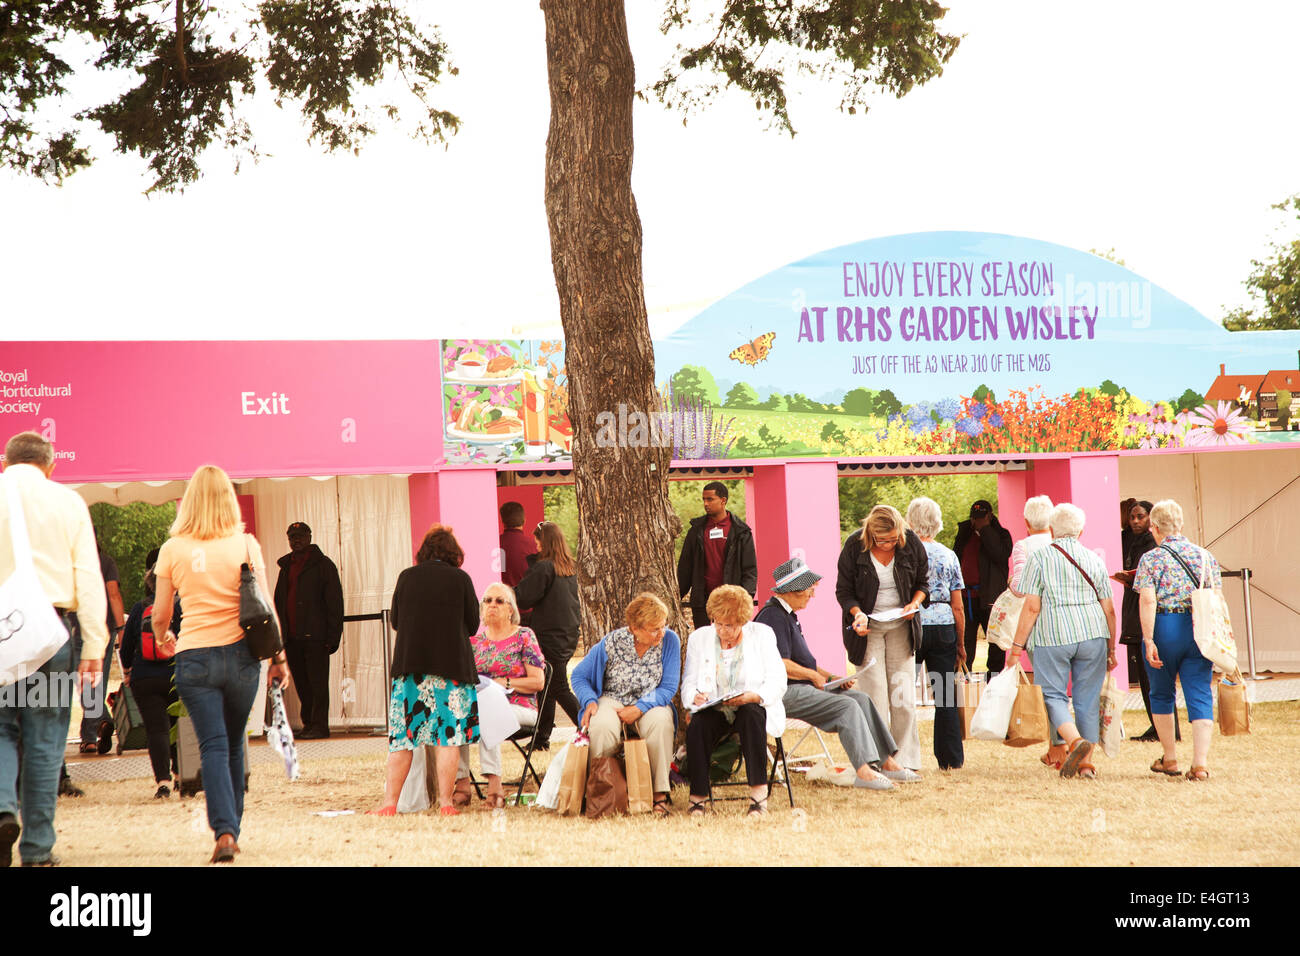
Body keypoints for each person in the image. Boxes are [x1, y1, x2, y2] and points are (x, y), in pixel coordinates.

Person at [153, 465, 289, 862]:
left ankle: (224, 832)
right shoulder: (246, 544)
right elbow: (267, 607)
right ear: (228, 498)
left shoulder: (173, 549)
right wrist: (279, 659)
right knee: (233, 743)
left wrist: (164, 639)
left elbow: (161, 615)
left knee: (212, 744)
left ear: (190, 501)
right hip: (243, 657)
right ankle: (232, 829)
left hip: (194, 656)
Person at [0, 431, 107, 867]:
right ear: (51, 467)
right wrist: (94, 644)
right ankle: (38, 849)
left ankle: (3, 808)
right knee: (46, 737)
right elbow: (89, 575)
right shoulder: (68, 503)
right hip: (51, 631)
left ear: (5, 463)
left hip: (1, 634)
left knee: (1, 727)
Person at [755, 556, 913, 790]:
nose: (812, 595)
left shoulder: (786, 615)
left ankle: (887, 762)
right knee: (846, 707)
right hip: (782, 692)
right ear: (793, 590)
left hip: (800, 686)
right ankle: (864, 771)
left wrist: (830, 678)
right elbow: (780, 662)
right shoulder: (772, 616)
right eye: (810, 590)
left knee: (861, 699)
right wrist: (813, 677)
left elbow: (804, 662)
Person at [373, 527, 480, 817]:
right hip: (451, 671)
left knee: (403, 737)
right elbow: (472, 625)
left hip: (411, 670)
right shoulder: (461, 579)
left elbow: (395, 620)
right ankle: (446, 802)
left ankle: (389, 803)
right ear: (453, 553)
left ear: (424, 553)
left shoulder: (406, 577)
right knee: (448, 737)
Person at [1007, 503, 1117, 780]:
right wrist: (1112, 647)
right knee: (1087, 700)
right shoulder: (1094, 559)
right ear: (1081, 530)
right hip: (1093, 635)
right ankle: (1087, 765)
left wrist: (1017, 646)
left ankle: (1075, 741)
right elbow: (1109, 609)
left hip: (1052, 636)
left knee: (1053, 695)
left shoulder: (1040, 558)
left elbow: (1032, 606)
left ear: (1052, 529)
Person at [836, 504, 928, 771]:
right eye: (883, 540)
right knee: (873, 695)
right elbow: (844, 592)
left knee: (903, 695)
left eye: (894, 538)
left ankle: (906, 759)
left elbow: (923, 582)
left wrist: (914, 603)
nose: (889, 544)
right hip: (868, 627)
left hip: (902, 624)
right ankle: (877, 759)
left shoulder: (910, 542)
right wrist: (858, 614)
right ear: (870, 533)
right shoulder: (854, 545)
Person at [681, 585, 787, 816]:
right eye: (717, 623)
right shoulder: (700, 638)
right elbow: (688, 682)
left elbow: (778, 680)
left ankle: (758, 796)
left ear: (743, 621)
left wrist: (756, 695)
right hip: (716, 707)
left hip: (751, 705)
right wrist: (694, 697)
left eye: (728, 625)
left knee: (751, 714)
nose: (721, 630)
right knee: (698, 724)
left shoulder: (762, 634)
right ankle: (698, 797)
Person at [1135, 499, 1221, 782]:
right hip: (1198, 628)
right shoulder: (1205, 556)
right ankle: (1200, 763)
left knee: (1161, 692)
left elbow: (1148, 599)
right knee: (1199, 692)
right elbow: (1214, 599)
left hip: (1164, 626)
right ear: (1181, 524)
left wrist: (1148, 639)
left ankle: (1170, 758)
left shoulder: (1151, 558)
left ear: (1154, 527)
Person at [572, 592, 679, 817]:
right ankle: (601, 793)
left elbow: (668, 687)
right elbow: (579, 676)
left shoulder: (670, 640)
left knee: (661, 722)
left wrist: (639, 708)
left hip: (651, 700)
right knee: (600, 725)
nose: (661, 633)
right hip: (612, 698)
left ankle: (659, 794)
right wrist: (590, 701)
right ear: (634, 629)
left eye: (663, 626)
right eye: (653, 629)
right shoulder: (612, 641)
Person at [453, 583, 545, 808]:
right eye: (488, 601)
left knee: (486, 711)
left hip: (521, 708)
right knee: (455, 715)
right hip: (483, 706)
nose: (492, 605)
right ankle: (462, 783)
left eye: (499, 601)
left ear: (510, 609)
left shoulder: (524, 636)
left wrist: (504, 683)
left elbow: (538, 682)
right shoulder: (475, 643)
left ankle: (495, 786)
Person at [1007, 495, 1068, 769]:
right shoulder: (1063, 543)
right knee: (1061, 688)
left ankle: (1060, 747)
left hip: (1038, 625)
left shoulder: (1023, 546)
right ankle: (1060, 745)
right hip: (1068, 622)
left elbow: (1020, 586)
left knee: (1050, 690)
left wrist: (1010, 582)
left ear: (1026, 522)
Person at [907, 498, 966, 771]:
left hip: (912, 623)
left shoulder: (904, 553)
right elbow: (958, 605)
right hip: (944, 624)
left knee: (904, 692)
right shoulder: (948, 555)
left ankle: (907, 756)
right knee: (945, 695)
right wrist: (961, 643)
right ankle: (951, 759)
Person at [273, 521, 344, 739]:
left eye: (301, 536)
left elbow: (334, 603)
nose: (297, 540)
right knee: (302, 684)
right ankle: (309, 724)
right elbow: (279, 601)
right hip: (292, 638)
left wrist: (332, 636)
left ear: (310, 537)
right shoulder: (285, 568)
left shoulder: (324, 566)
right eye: (293, 537)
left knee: (318, 683)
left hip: (317, 637)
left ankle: (320, 726)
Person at [512, 521, 580, 750]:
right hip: (566, 634)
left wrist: (506, 594)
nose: (536, 545)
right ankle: (541, 739)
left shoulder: (544, 568)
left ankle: (590, 727)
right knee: (549, 685)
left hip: (549, 635)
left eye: (538, 541)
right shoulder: (569, 567)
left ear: (545, 542)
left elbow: (524, 598)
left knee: (558, 686)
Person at [1111, 500, 1175, 743]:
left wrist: (1133, 579)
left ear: (1152, 519)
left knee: (1155, 679)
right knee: (1148, 679)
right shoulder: (1129, 539)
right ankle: (1157, 726)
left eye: (1140, 516)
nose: (1135, 521)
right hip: (1135, 611)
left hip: (1149, 616)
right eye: (1132, 517)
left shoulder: (1153, 547)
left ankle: (1165, 729)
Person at [119, 548, 181, 798]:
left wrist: (127, 670)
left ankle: (162, 782)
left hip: (144, 678)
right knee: (178, 726)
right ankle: (180, 774)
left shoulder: (139, 608)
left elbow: (126, 647)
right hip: (176, 676)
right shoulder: (180, 607)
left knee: (157, 730)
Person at [677, 481, 757, 629]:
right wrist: (676, 597)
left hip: (731, 600)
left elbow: (750, 570)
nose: (706, 503)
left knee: (730, 640)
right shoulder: (696, 530)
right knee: (705, 640)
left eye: (710, 499)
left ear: (723, 501)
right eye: (704, 499)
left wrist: (745, 598)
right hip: (702, 599)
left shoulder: (741, 532)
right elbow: (685, 567)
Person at [952, 499, 1013, 678]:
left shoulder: (1001, 535)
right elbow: (955, 558)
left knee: (995, 644)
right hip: (966, 598)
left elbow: (999, 554)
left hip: (991, 599)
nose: (976, 521)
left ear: (989, 516)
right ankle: (963, 682)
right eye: (974, 518)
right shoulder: (965, 533)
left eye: (980, 517)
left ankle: (994, 683)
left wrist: (985, 530)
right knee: (964, 642)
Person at [77, 537, 125, 754]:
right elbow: (113, 594)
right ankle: (98, 726)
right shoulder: (107, 562)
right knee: (98, 683)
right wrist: (121, 628)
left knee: (87, 684)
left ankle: (91, 735)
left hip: (81, 627)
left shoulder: (74, 562)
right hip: (106, 627)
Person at [1009, 495, 1055, 594]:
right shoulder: (1060, 543)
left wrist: (1010, 583)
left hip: (1033, 606)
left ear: (1027, 523)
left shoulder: (1021, 546)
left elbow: (1018, 586)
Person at [498, 501, 537, 588]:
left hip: (500, 598)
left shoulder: (495, 544)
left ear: (502, 521)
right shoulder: (534, 546)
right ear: (524, 520)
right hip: (527, 599)